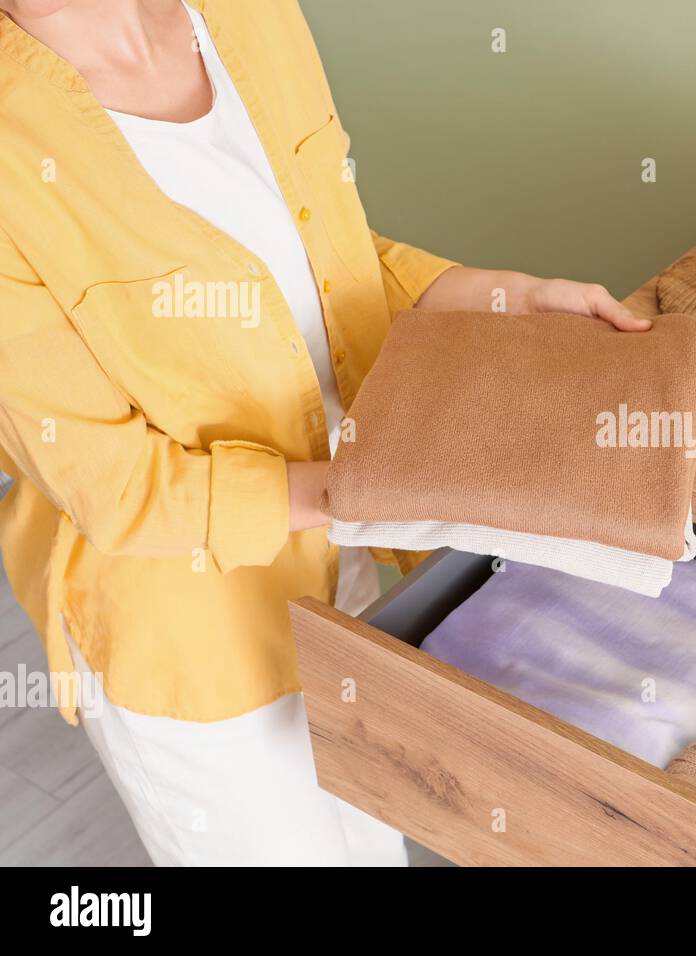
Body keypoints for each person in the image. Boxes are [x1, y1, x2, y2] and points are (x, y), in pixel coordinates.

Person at [0, 0, 649, 865]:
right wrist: (371, 489)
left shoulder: (249, 14)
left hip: (340, 557)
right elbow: (118, 488)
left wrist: (496, 296)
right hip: (192, 636)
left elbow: (313, 258)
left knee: (375, 847)